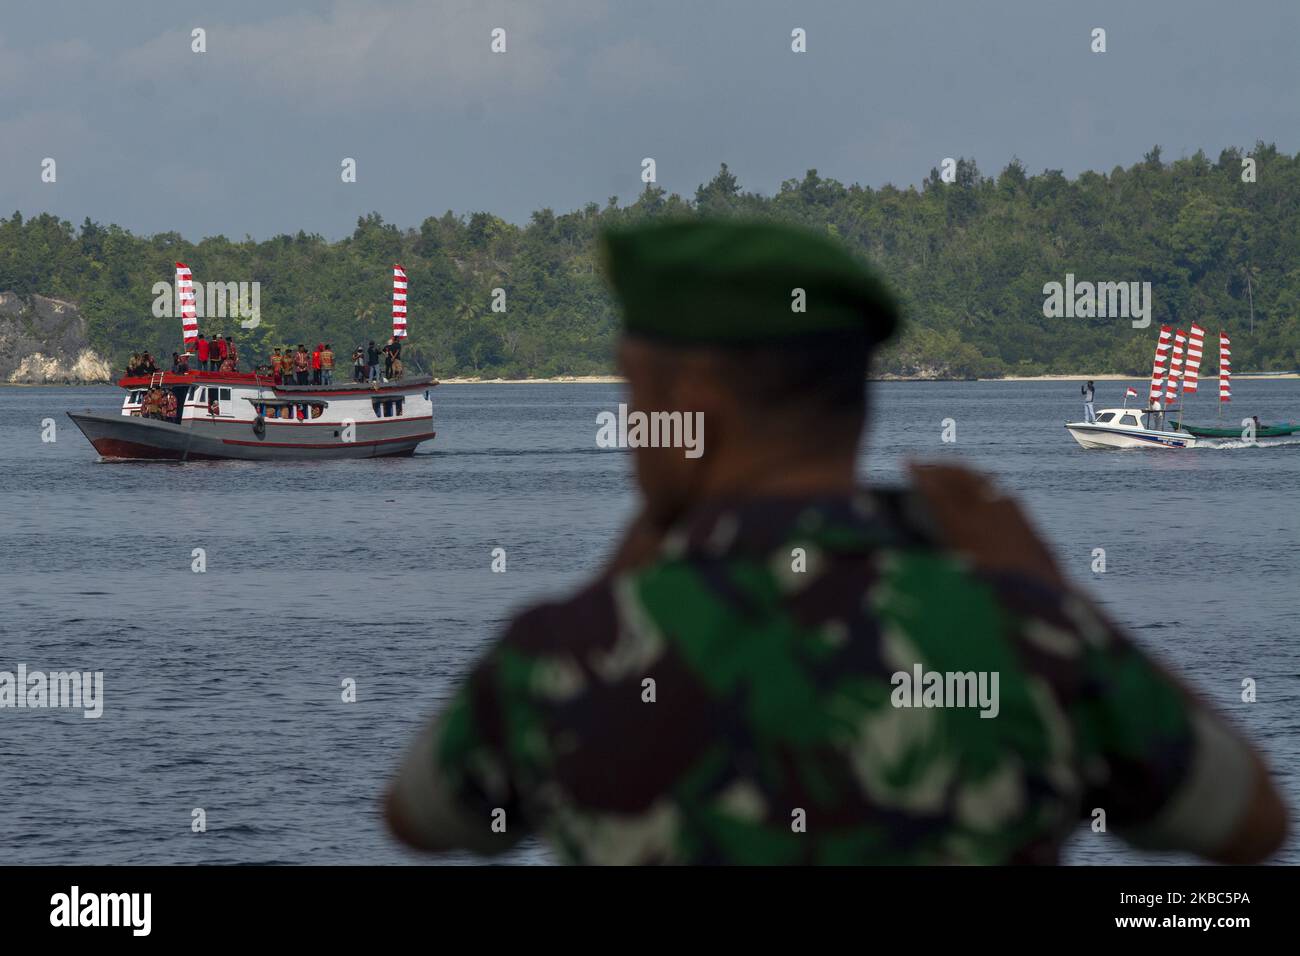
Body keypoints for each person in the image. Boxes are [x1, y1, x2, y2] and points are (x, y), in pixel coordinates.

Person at [386, 219, 1288, 866]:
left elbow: (422, 819)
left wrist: (626, 570)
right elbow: (1247, 826)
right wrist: (1049, 588)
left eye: (636, 396)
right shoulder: (1033, 636)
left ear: (689, 407)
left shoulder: (565, 656)